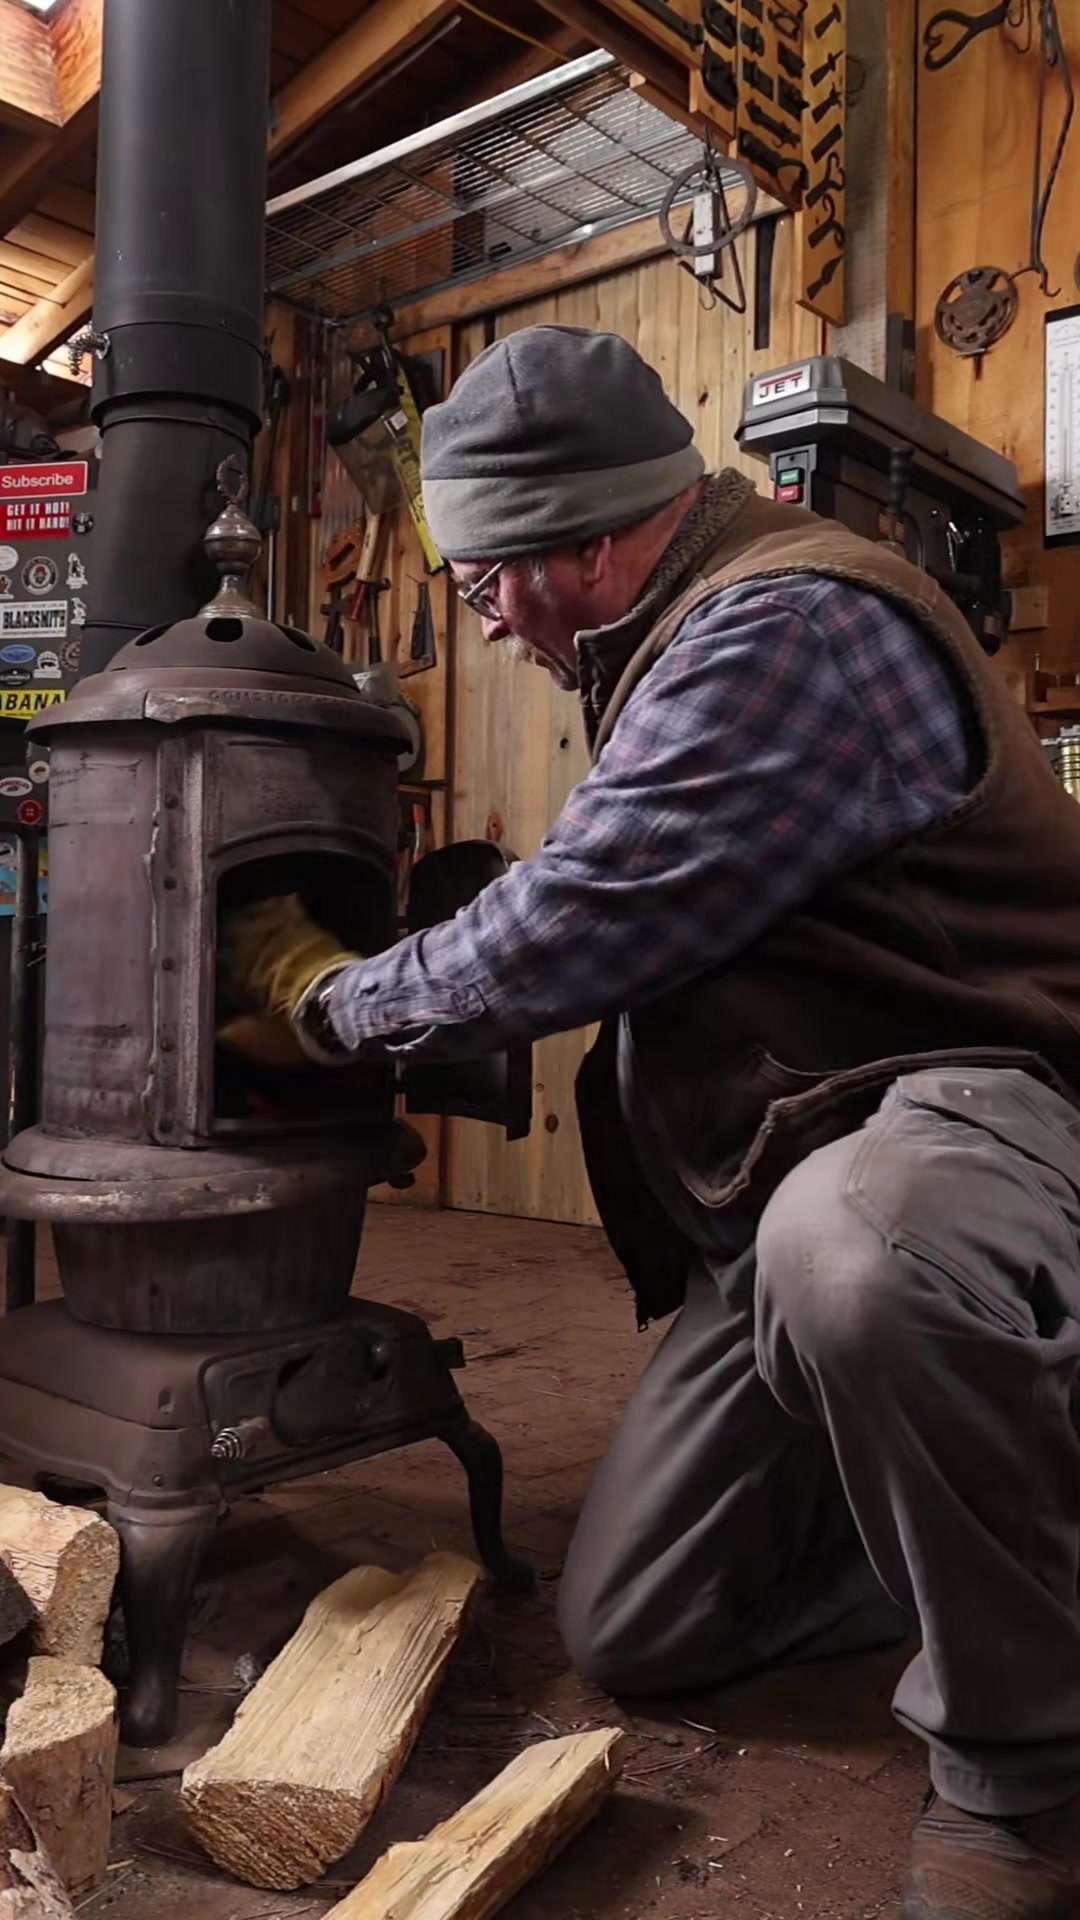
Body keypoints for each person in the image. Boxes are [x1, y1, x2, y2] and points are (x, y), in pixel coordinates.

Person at [219, 325, 1080, 1919]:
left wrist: (323, 996)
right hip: (827, 1157)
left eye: (490, 579)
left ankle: (1021, 1778)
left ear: (600, 541)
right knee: (643, 1626)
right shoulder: (672, 626)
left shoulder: (791, 624)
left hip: (991, 1126)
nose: (481, 611)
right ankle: (993, 1542)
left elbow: (567, 928)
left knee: (862, 1257)